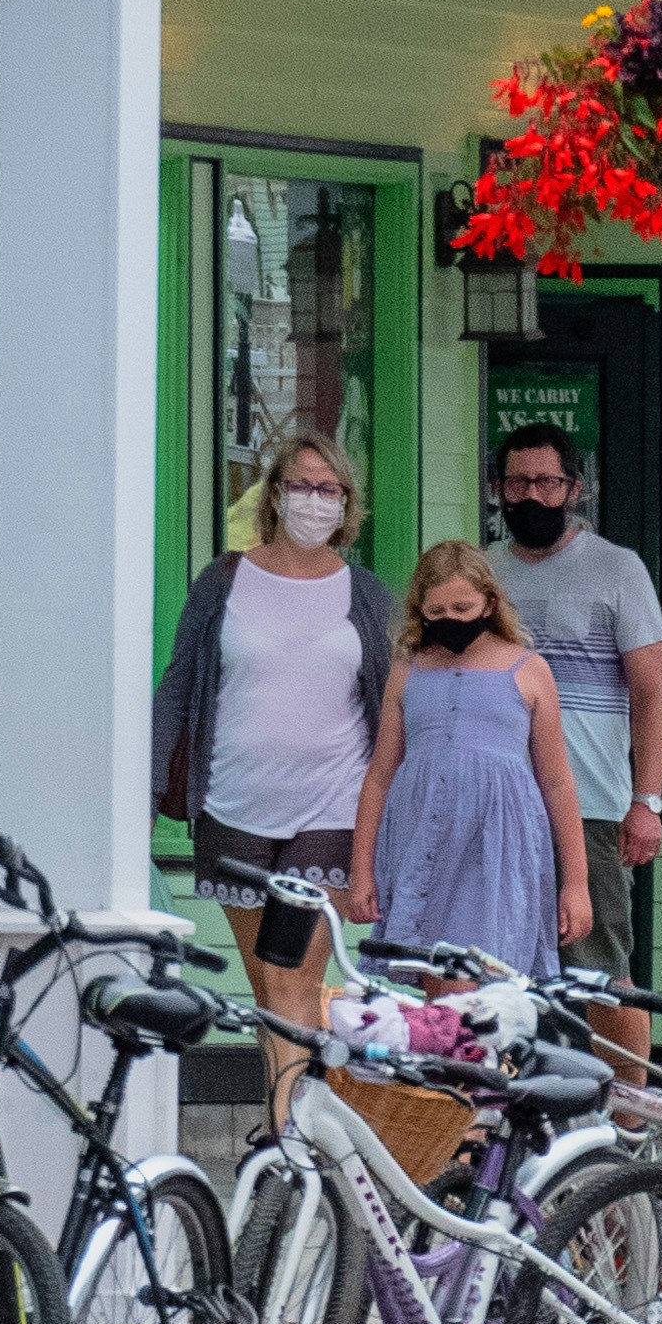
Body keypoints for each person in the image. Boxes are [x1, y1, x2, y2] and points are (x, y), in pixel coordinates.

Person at [154, 426, 399, 1110]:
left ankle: (288, 1143)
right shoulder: (222, 582)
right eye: (301, 486)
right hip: (233, 808)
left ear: (347, 503)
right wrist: (144, 789)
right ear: (274, 495)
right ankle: (300, 1120)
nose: (314, 502)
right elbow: (178, 685)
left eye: (330, 489)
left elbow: (390, 711)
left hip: (329, 811)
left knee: (292, 981)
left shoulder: (368, 595)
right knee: (268, 986)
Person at [491, 419, 662, 1061]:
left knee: (601, 971)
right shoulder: (481, 577)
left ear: (573, 488)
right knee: (495, 969)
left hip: (593, 805)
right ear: (498, 490)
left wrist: (646, 801)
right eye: (517, 482)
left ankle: (630, 1131)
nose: (531, 495)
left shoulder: (617, 570)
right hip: (501, 804)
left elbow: (652, 692)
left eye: (545, 481)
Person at [350, 540, 590, 978]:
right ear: (419, 610)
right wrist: (362, 871)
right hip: (423, 837)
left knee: (488, 979)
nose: (451, 621)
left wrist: (576, 883)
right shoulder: (409, 670)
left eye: (463, 608)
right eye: (437, 612)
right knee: (435, 978)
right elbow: (380, 777)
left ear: (489, 603)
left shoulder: (528, 669)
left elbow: (557, 781)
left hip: (497, 846)